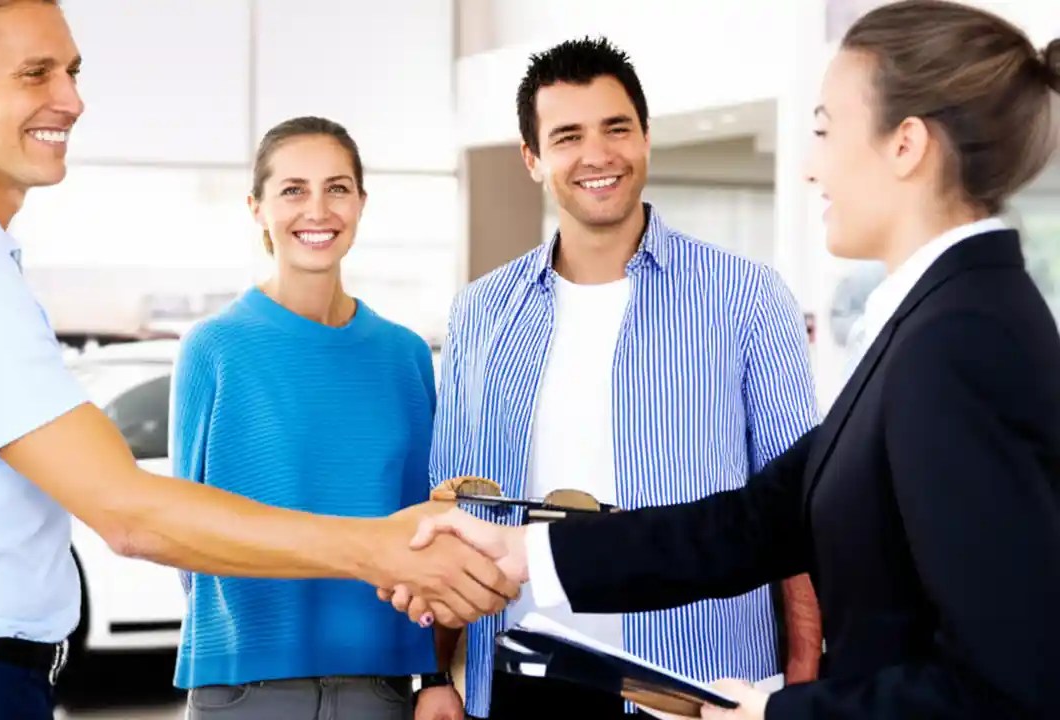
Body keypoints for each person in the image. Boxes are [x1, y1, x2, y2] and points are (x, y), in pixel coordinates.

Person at [0, 2, 515, 718]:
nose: (72, 98)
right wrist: (379, 547)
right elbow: (130, 512)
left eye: (72, 71)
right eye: (36, 73)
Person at [391, 2, 1060, 718]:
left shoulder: (961, 339)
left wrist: (780, 712)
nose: (809, 167)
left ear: (906, 146)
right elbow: (754, 521)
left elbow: (1011, 684)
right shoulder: (930, 321)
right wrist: (526, 552)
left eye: (826, 130)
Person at [409, 36, 823, 720]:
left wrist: (806, 674)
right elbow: (453, 512)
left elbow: (800, 507)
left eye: (617, 128)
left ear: (647, 139)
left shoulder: (748, 297)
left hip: (699, 682)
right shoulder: (481, 311)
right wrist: (435, 678)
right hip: (522, 669)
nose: (598, 154)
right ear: (533, 160)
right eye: (568, 136)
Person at [170, 116, 447, 719]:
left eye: (337, 188)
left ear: (361, 203)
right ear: (256, 208)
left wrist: (436, 677)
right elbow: (184, 531)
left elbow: (426, 532)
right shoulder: (214, 348)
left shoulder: (404, 355)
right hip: (245, 687)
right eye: (293, 190)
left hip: (380, 686)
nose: (316, 210)